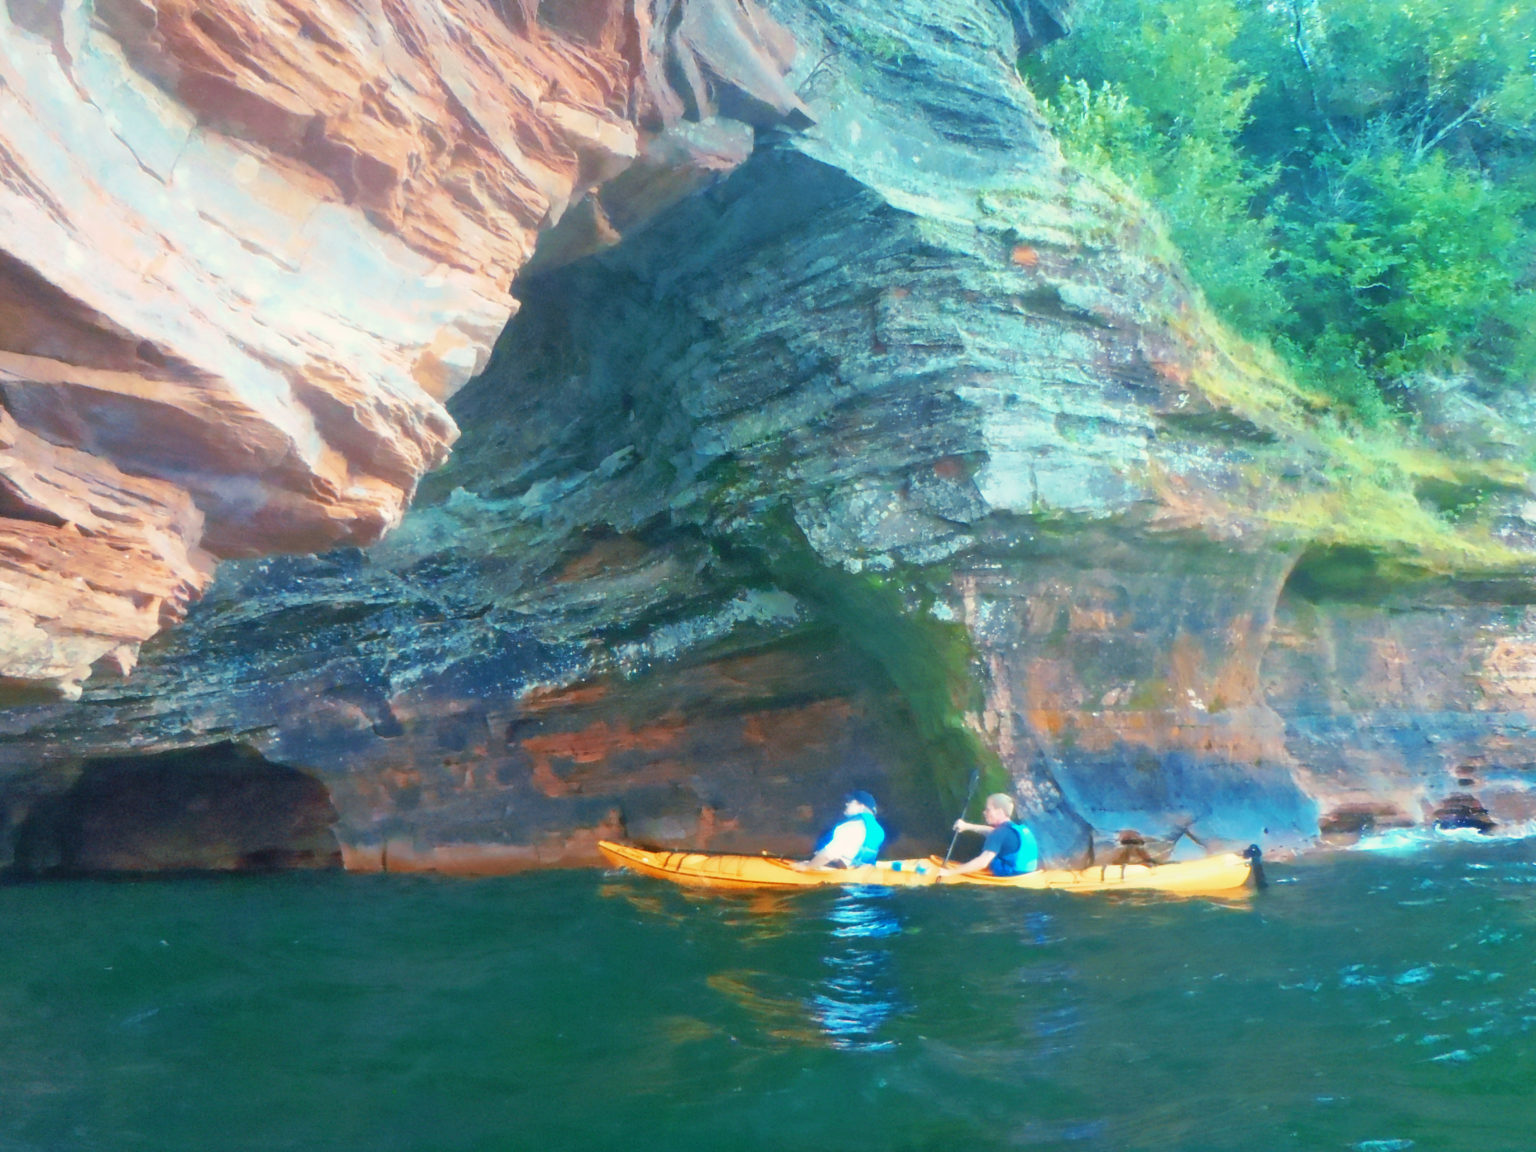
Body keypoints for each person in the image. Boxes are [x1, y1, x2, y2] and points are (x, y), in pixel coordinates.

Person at [940, 793, 1038, 877]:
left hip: (1011, 875)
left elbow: (982, 862)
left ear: (999, 812)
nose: (984, 812)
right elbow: (992, 832)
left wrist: (950, 872)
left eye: (988, 810)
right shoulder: (1013, 829)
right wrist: (967, 826)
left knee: (992, 860)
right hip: (1027, 873)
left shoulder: (999, 833)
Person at [801, 790, 886, 868]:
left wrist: (807, 867)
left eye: (851, 801)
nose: (847, 804)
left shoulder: (851, 826)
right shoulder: (879, 831)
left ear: (861, 806)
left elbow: (828, 855)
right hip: (860, 873)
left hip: (839, 876)